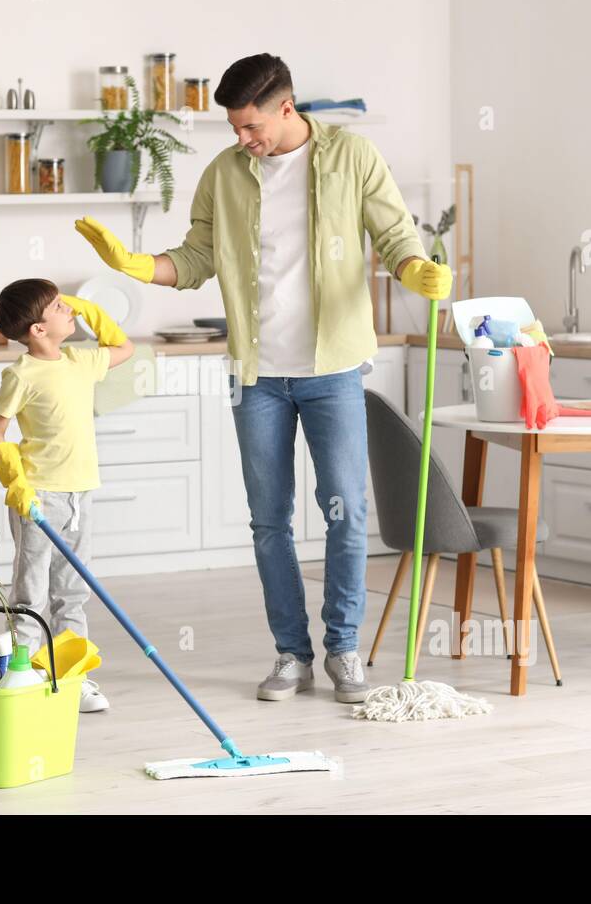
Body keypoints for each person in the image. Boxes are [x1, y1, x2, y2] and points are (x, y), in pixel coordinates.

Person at [73, 53, 450, 704]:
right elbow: (195, 258)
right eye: (234, 128)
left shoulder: (353, 157)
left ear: (286, 105)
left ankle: (344, 651)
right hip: (257, 374)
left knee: (347, 512)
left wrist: (415, 268)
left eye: (251, 126)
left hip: (332, 369)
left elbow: (394, 236)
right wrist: (138, 265)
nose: (243, 139)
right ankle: (290, 655)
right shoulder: (225, 174)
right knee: (268, 521)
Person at [0, 279, 135, 713]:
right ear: (37, 330)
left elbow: (124, 348)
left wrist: (90, 309)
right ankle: (20, 674)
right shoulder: (21, 374)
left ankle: (73, 677)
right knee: (30, 594)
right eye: (58, 306)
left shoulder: (78, 361)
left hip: (80, 496)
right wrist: (16, 482)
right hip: (39, 497)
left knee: (73, 593)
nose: (69, 309)